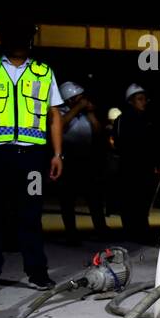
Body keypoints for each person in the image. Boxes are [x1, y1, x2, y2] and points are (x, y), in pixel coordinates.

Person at [0, 17, 63, 291]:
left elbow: (54, 115)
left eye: (23, 37)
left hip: (32, 158)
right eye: (13, 36)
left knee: (31, 214)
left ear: (30, 40)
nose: (19, 42)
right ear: (2, 39)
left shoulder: (43, 72)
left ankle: (37, 272)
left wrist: (57, 154)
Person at [55, 81, 109, 244]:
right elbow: (61, 125)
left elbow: (98, 132)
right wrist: (77, 108)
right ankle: (71, 234)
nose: (83, 99)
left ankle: (101, 230)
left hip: (87, 159)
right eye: (79, 97)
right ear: (70, 99)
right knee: (68, 199)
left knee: (94, 197)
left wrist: (91, 113)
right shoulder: (61, 111)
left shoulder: (85, 114)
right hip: (68, 159)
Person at [112, 83, 158, 244]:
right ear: (131, 101)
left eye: (145, 99)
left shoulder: (147, 119)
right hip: (130, 167)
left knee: (141, 201)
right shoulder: (122, 120)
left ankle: (137, 231)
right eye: (140, 99)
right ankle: (134, 232)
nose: (144, 102)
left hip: (143, 167)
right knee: (131, 200)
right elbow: (119, 143)